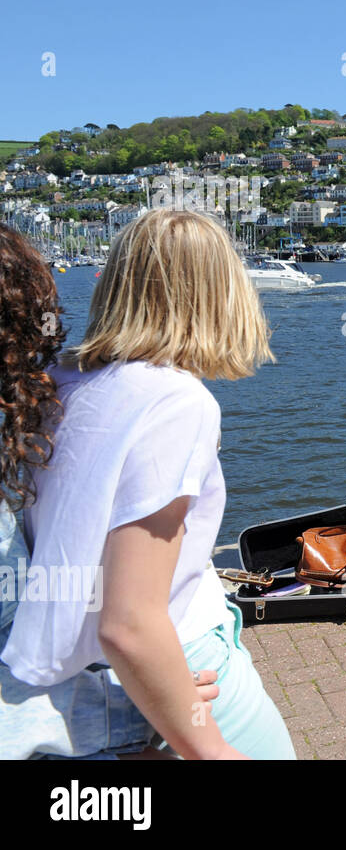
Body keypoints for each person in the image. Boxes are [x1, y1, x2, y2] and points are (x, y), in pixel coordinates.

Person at [1, 209, 294, 760]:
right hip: (179, 657)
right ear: (219, 291)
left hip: (90, 678)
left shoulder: (59, 381)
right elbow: (130, 622)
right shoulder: (176, 404)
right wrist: (211, 747)